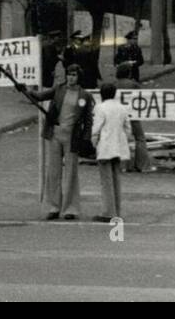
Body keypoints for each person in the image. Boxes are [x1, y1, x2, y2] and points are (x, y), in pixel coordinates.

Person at [31, 64, 92, 220]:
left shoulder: (84, 95)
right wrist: (25, 90)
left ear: (79, 77)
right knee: (54, 171)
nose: (71, 77)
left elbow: (88, 120)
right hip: (56, 134)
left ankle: (70, 208)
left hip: (72, 137)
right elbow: (40, 96)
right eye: (69, 74)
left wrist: (86, 138)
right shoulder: (59, 89)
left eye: (74, 75)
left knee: (71, 172)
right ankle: (54, 206)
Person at [92, 82, 134, 221]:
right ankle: (117, 209)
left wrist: (94, 142)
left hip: (105, 146)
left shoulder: (100, 108)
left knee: (106, 181)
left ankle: (108, 212)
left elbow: (96, 128)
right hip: (118, 146)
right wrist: (123, 140)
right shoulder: (122, 108)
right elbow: (128, 128)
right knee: (116, 179)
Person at [114, 63, 152, 172]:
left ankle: (122, 165)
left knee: (120, 138)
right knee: (139, 138)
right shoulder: (134, 85)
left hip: (118, 115)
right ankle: (142, 165)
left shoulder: (114, 84)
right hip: (132, 114)